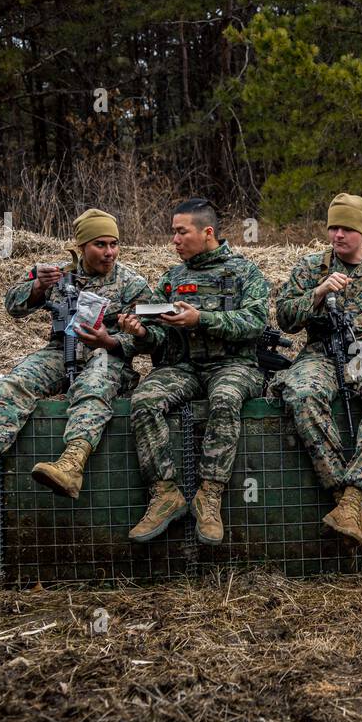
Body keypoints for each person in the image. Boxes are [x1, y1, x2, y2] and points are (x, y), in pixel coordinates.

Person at [0, 208, 151, 501]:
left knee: (94, 385)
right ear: (81, 247)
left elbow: (147, 336)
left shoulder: (132, 284)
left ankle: (71, 465)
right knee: (16, 383)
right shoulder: (60, 275)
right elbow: (13, 306)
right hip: (59, 350)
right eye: (99, 245)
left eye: (113, 244)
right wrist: (38, 286)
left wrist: (112, 341)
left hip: (105, 354)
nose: (109, 252)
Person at [120, 199, 268, 543]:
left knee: (225, 397)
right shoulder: (172, 279)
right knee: (144, 399)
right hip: (183, 366)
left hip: (233, 365)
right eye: (173, 232)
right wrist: (141, 333)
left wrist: (202, 319)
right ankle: (165, 493)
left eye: (181, 231)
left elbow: (257, 322)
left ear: (207, 232)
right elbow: (157, 334)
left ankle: (209, 496)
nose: (174, 239)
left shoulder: (243, 272)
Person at [275, 193, 362, 545]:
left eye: (347, 228)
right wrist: (318, 294)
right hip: (322, 354)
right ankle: (344, 498)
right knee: (302, 393)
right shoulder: (311, 268)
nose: (338, 235)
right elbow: (286, 320)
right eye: (333, 227)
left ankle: (353, 497)